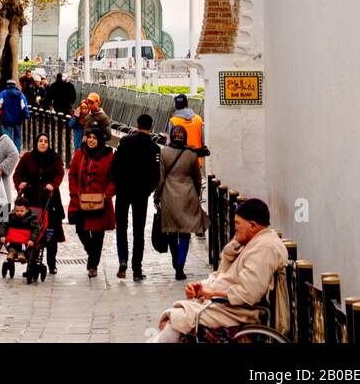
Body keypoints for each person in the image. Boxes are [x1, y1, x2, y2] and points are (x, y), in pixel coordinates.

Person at [157, 198, 288, 342]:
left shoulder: (264, 249)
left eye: (238, 223)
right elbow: (224, 274)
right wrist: (202, 287)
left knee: (174, 322)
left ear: (252, 225)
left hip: (236, 312)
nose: (235, 228)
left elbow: (248, 294)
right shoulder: (251, 242)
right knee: (172, 320)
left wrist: (211, 293)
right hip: (225, 307)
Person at [154, 125, 206, 281]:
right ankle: (180, 266)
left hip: (169, 196)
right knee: (184, 233)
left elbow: (161, 178)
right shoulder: (191, 154)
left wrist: (157, 196)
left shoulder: (164, 152)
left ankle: (175, 262)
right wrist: (196, 195)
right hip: (187, 195)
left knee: (171, 232)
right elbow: (197, 178)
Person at [112, 112, 161, 280]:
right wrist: (148, 190)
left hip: (123, 191)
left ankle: (123, 260)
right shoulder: (154, 148)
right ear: (152, 127)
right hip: (141, 194)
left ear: (137, 125)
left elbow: (115, 165)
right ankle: (137, 269)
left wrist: (118, 184)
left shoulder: (125, 141)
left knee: (121, 227)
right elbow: (156, 174)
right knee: (138, 231)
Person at [13, 131, 66, 273]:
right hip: (32, 200)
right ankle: (32, 262)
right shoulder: (27, 158)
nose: (43, 143)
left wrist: (53, 185)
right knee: (32, 232)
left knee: (50, 234)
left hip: (50, 200)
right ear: (36, 143)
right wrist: (20, 184)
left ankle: (52, 263)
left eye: (46, 141)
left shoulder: (54, 158)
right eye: (40, 141)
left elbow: (60, 173)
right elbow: (17, 174)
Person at [68, 124, 115, 277]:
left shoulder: (109, 155)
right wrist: (74, 193)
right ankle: (91, 253)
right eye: (89, 137)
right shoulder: (80, 152)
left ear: (100, 140)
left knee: (97, 235)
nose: (91, 140)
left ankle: (93, 265)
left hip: (100, 202)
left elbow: (113, 178)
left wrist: (107, 194)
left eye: (94, 138)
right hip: (81, 200)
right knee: (81, 229)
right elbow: (72, 173)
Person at [0, 78, 30, 150]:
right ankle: (17, 152)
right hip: (18, 119)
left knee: (8, 136)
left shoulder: (4, 93)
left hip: (6, 118)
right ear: (15, 85)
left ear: (7, 85)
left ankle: (9, 151)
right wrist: (27, 116)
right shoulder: (20, 94)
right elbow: (24, 107)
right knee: (17, 136)